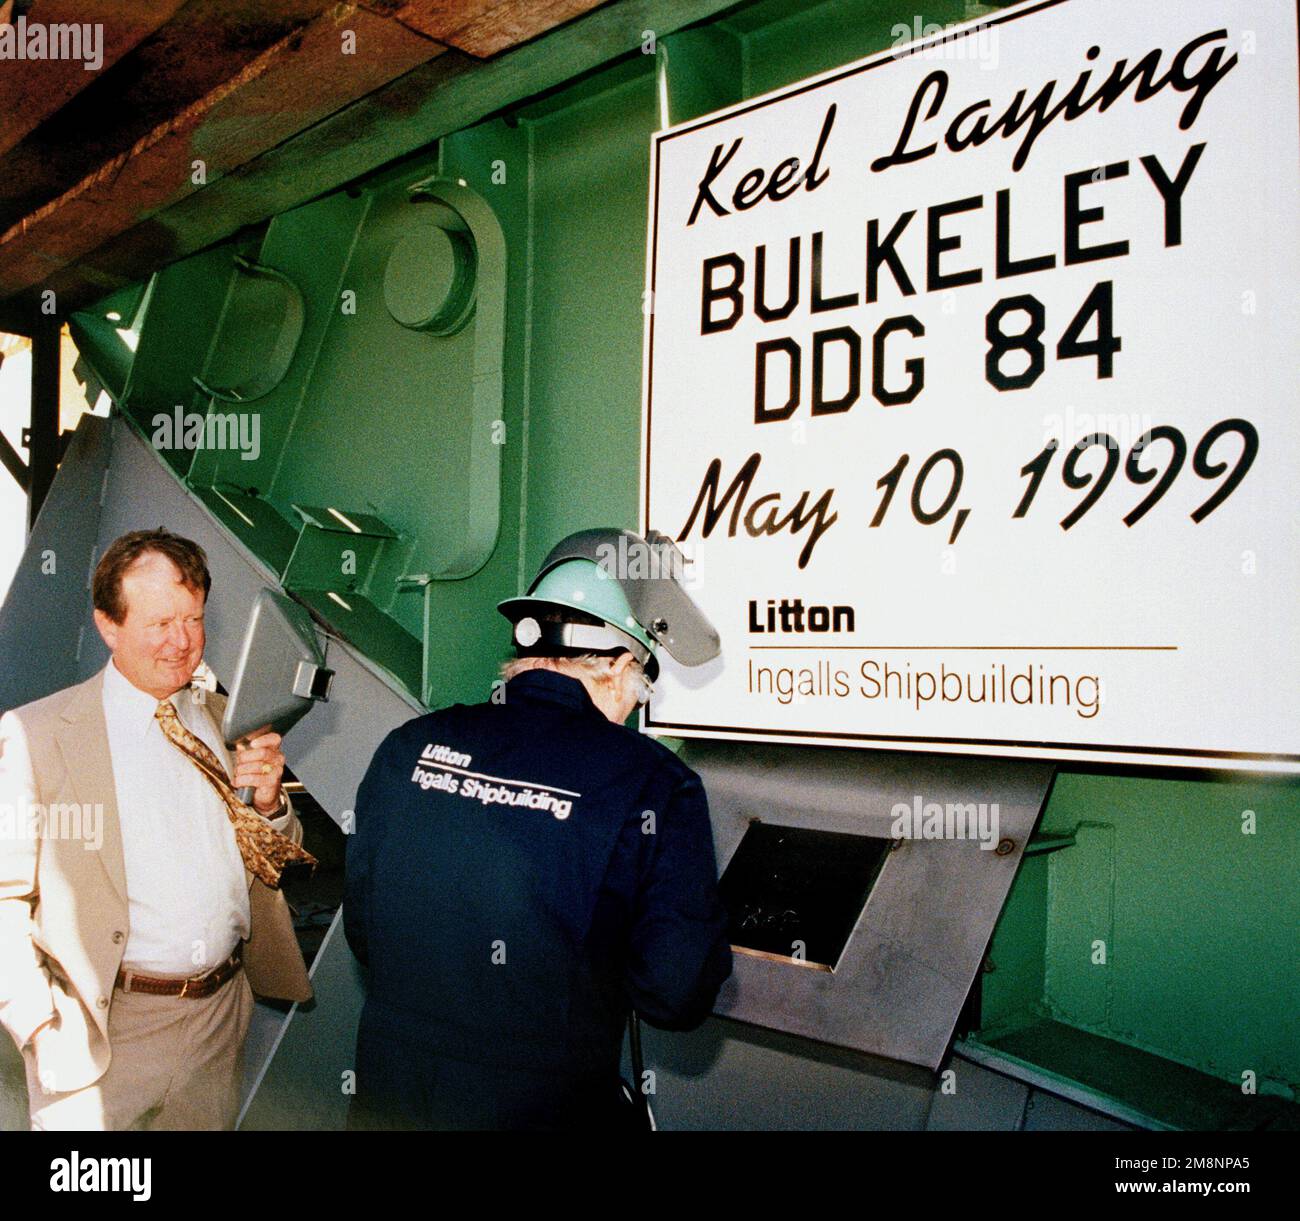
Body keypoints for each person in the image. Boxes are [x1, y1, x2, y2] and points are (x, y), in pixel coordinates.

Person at [344, 527, 732, 1130]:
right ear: (621, 664)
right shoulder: (656, 783)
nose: (632, 707)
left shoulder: (409, 746)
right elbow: (675, 995)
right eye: (642, 686)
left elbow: (366, 936)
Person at [0, 529, 315, 1130]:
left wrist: (272, 807)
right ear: (107, 625)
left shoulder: (227, 722)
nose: (183, 642)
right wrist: (37, 1022)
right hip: (104, 1031)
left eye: (193, 619)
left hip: (218, 1022)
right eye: (161, 623)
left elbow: (272, 866)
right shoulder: (39, 736)